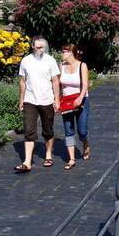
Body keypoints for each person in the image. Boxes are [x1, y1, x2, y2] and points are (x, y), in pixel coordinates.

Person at [16, 36, 60, 172]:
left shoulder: (50, 61)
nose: (41, 49)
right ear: (33, 46)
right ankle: (27, 161)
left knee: (48, 129)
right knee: (29, 130)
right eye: (38, 47)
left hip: (47, 99)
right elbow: (22, 81)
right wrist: (21, 99)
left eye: (43, 47)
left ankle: (48, 155)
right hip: (30, 100)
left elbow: (55, 81)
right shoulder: (26, 61)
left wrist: (56, 99)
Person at [60, 44, 90, 169]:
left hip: (81, 100)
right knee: (68, 130)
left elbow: (85, 85)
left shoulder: (82, 66)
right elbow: (58, 85)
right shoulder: (61, 66)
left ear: (71, 53)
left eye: (64, 51)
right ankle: (71, 158)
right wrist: (57, 99)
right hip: (66, 102)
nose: (62, 54)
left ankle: (85, 143)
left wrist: (80, 98)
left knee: (82, 130)